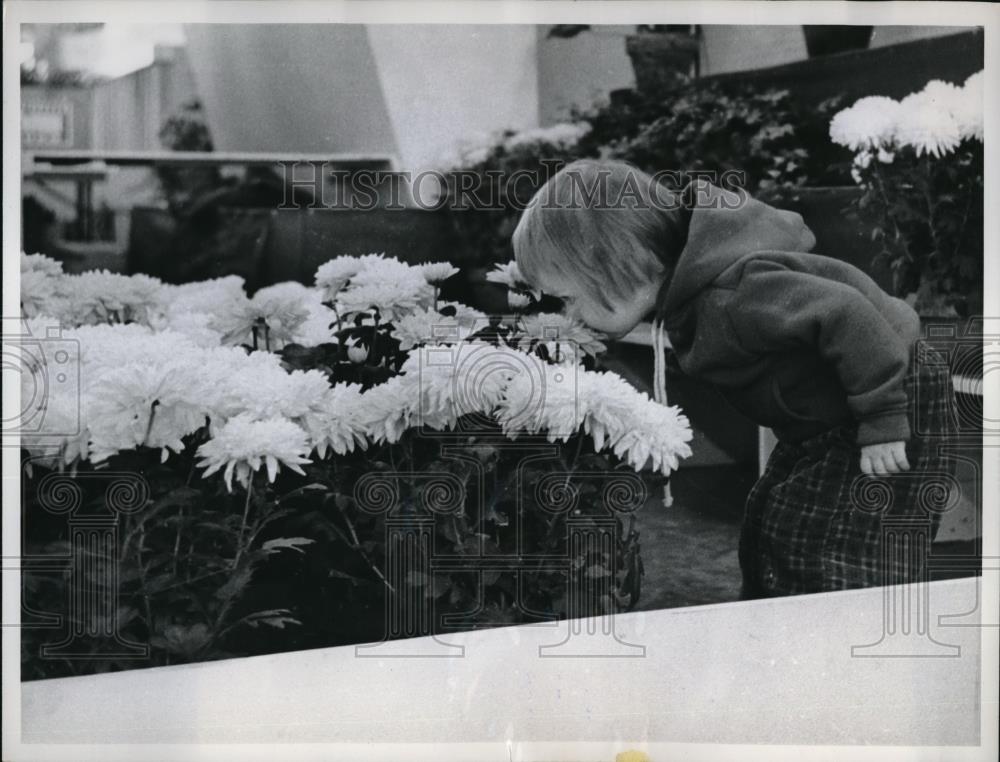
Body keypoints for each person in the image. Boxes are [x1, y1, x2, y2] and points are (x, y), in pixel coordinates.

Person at [512, 159, 958, 598]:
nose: (569, 315)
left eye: (569, 299)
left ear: (622, 262)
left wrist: (883, 419)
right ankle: (777, 628)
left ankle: (831, 646)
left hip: (889, 394)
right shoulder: (690, 294)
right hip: (831, 415)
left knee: (830, 545)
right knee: (773, 520)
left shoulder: (737, 293)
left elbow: (849, 315)